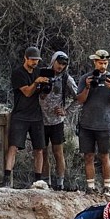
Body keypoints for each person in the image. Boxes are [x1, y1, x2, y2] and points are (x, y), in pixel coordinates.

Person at [75, 49, 110, 195]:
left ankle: (107, 187)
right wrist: (87, 87)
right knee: (88, 156)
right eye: (100, 63)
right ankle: (90, 187)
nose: (103, 66)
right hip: (87, 124)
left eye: (105, 63)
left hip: (104, 124)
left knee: (105, 155)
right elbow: (80, 100)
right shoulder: (85, 78)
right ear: (94, 62)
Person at [3, 45, 52, 189]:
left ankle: (38, 179)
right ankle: (7, 177)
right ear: (25, 58)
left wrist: (46, 87)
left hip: (36, 115)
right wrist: (36, 82)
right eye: (32, 59)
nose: (35, 62)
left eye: (37, 60)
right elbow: (27, 92)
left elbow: (42, 96)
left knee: (39, 148)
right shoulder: (18, 73)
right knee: (13, 146)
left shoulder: (39, 72)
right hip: (20, 114)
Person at [41, 51, 79, 191]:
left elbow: (79, 98)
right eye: (59, 63)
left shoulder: (66, 79)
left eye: (64, 64)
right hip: (40, 119)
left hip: (57, 121)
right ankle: (45, 182)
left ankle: (60, 183)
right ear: (53, 61)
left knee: (58, 152)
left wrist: (66, 111)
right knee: (42, 152)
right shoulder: (42, 74)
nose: (60, 66)